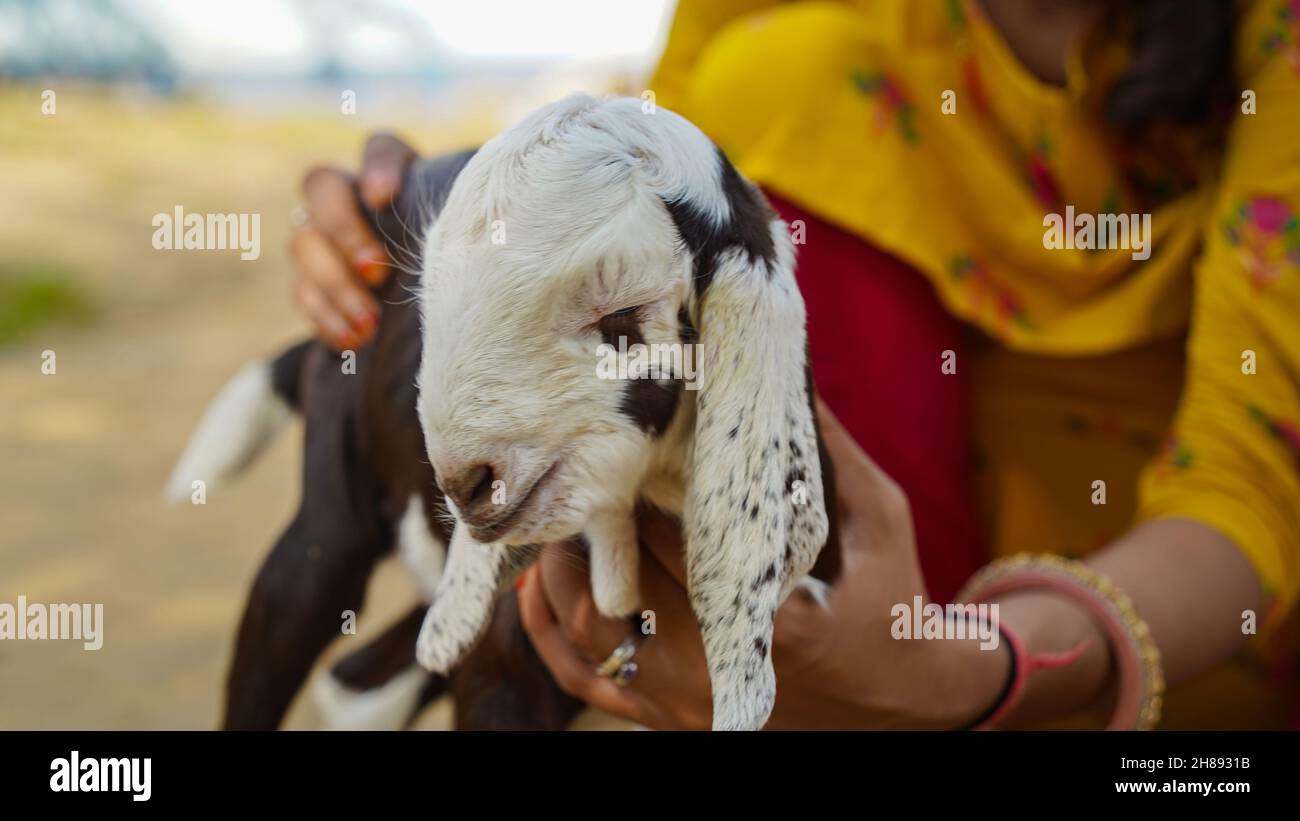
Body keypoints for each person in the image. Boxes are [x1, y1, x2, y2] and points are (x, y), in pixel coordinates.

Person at [287, 0, 1300, 728]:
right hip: (808, 647)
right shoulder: (756, 26)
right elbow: (652, 214)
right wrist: (448, 210)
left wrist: (962, 675)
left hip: (1147, 671)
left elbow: (1249, 481)